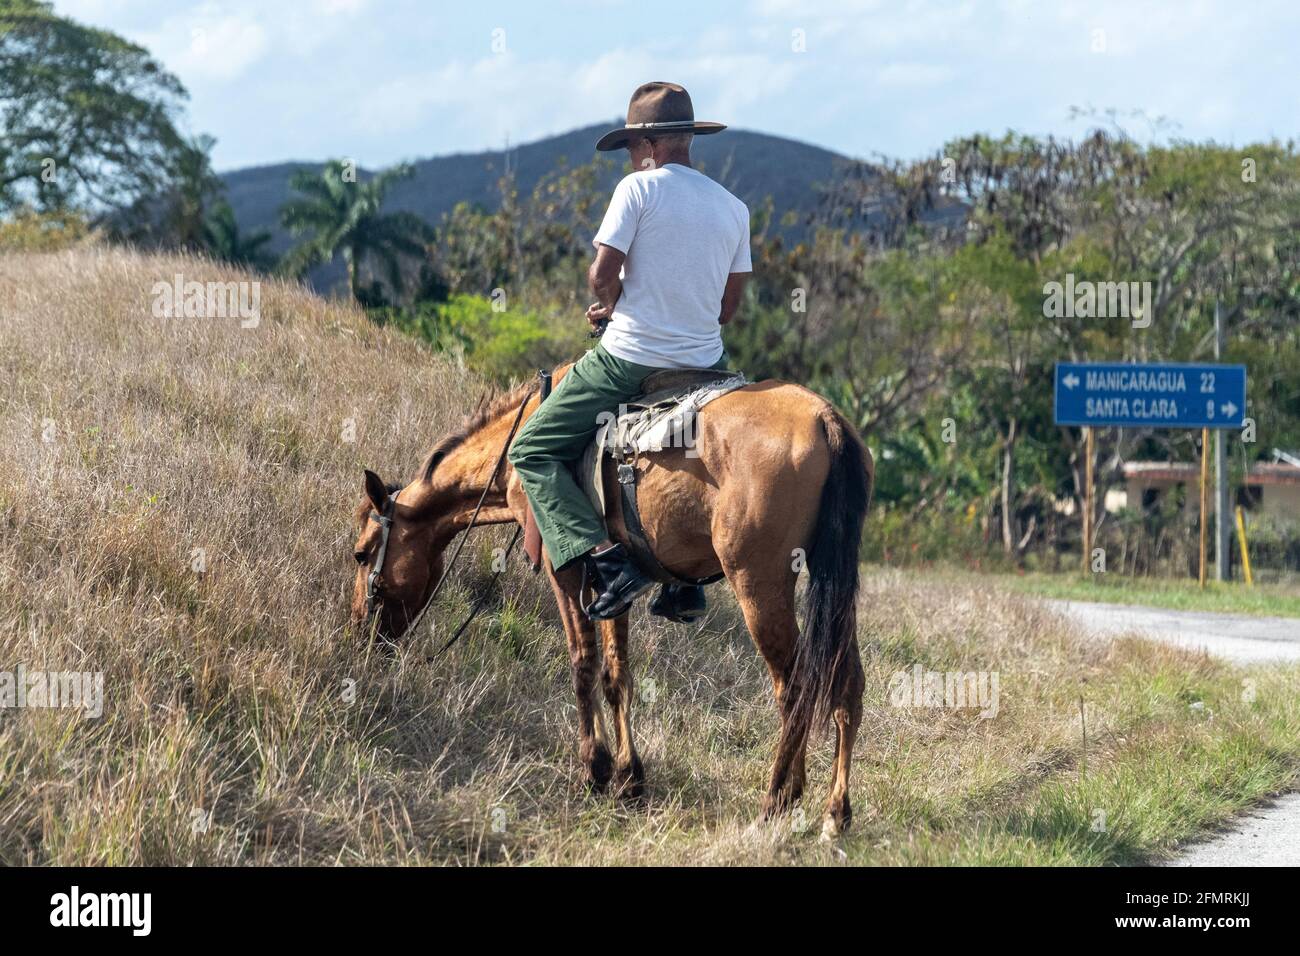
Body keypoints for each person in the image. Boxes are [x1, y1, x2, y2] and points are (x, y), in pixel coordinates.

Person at [508, 81, 751, 621]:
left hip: (629, 359)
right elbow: (726, 309)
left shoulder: (636, 191)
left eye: (630, 148)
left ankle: (609, 561)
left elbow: (601, 275)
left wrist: (610, 303)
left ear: (646, 144)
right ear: (686, 139)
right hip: (706, 367)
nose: (630, 158)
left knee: (530, 449)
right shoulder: (733, 208)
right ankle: (685, 583)